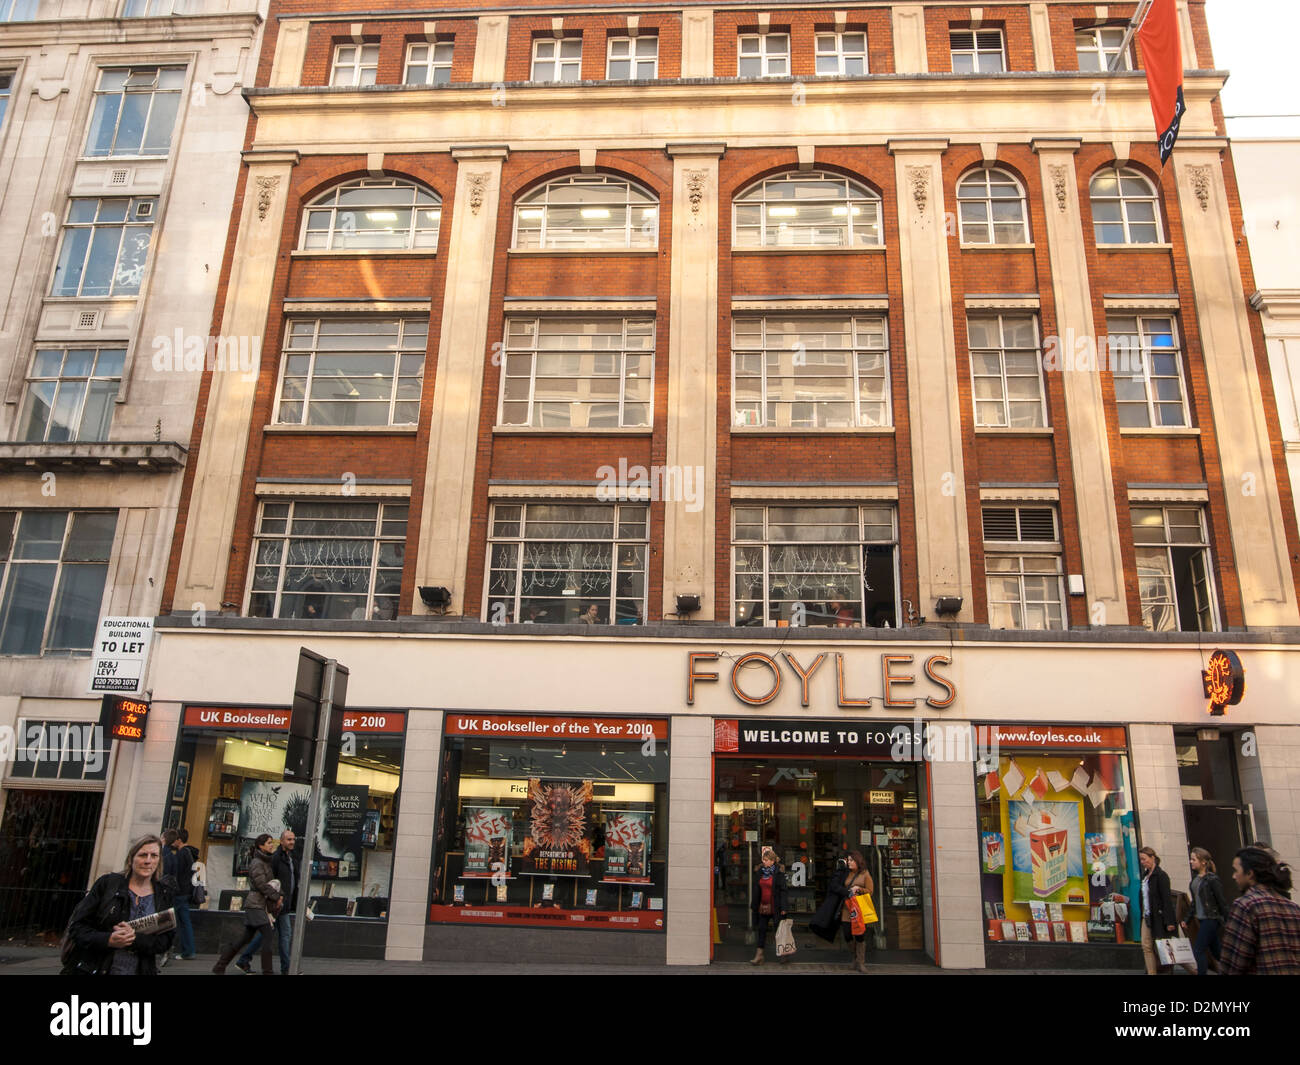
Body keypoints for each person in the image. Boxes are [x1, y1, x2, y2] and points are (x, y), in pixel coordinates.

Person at [61, 834, 176, 975]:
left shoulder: (163, 894)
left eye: (154, 856)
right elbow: (77, 928)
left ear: (159, 860)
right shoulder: (108, 885)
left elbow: (165, 940)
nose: (148, 861)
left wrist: (135, 939)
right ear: (131, 858)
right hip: (96, 968)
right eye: (142, 855)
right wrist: (108, 939)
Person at [1218, 845, 1300, 975]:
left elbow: (1233, 963)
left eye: (1236, 870)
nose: (1234, 876)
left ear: (1250, 874)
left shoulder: (1246, 905)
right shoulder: (1294, 908)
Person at [212, 834, 282, 975]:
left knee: (245, 938)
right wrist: (276, 896)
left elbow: (269, 883)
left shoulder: (264, 862)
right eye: (269, 843)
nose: (271, 845)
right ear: (261, 846)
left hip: (257, 905)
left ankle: (220, 966)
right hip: (256, 905)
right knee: (267, 936)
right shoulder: (257, 863)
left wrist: (279, 895)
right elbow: (261, 884)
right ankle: (267, 972)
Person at [234, 829, 300, 975]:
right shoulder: (276, 858)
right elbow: (271, 881)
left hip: (285, 903)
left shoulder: (292, 858)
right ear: (282, 841)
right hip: (277, 903)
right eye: (289, 839)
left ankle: (244, 959)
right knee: (285, 935)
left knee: (268, 934)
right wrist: (276, 899)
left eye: (293, 839)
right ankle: (286, 969)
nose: (292, 842)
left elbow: (294, 882)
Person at [1183, 846, 1227, 976]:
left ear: (1203, 862)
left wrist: (1228, 921)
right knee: (1217, 951)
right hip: (1202, 919)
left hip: (1211, 919)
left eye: (1193, 859)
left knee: (1198, 950)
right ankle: (1232, 969)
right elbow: (1194, 903)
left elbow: (1222, 902)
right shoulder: (1194, 881)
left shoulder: (1212, 880)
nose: (1191, 862)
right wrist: (1187, 919)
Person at [828, 850, 874, 973]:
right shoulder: (845, 873)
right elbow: (836, 885)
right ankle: (854, 958)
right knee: (847, 934)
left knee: (859, 935)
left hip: (859, 909)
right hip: (846, 908)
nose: (849, 862)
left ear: (857, 861)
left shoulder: (864, 874)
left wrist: (858, 889)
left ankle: (861, 962)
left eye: (851, 860)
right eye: (848, 860)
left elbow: (870, 890)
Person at [1138, 846, 1177, 975]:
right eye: (1141, 860)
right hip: (1147, 916)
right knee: (1146, 946)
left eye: (1144, 859)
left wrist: (1170, 921)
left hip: (1158, 916)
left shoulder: (1161, 876)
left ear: (1152, 857)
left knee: (1164, 946)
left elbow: (1166, 899)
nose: (1142, 862)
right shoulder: (1145, 876)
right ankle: (1151, 972)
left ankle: (1193, 969)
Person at [749, 847, 787, 965]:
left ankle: (783, 954)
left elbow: (783, 891)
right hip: (763, 906)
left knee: (778, 931)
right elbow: (756, 889)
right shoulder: (760, 872)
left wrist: (784, 908)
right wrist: (754, 905)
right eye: (763, 860)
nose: (764, 862)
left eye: (766, 860)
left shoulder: (778, 872)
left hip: (775, 907)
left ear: (772, 861)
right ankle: (759, 956)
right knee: (762, 930)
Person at [168, 829, 199, 961]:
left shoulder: (181, 854)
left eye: (174, 839)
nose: (172, 841)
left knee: (172, 922)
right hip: (186, 891)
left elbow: (176, 874)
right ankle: (188, 950)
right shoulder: (189, 852)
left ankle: (179, 949)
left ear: (179, 840)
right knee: (184, 922)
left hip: (179, 892)